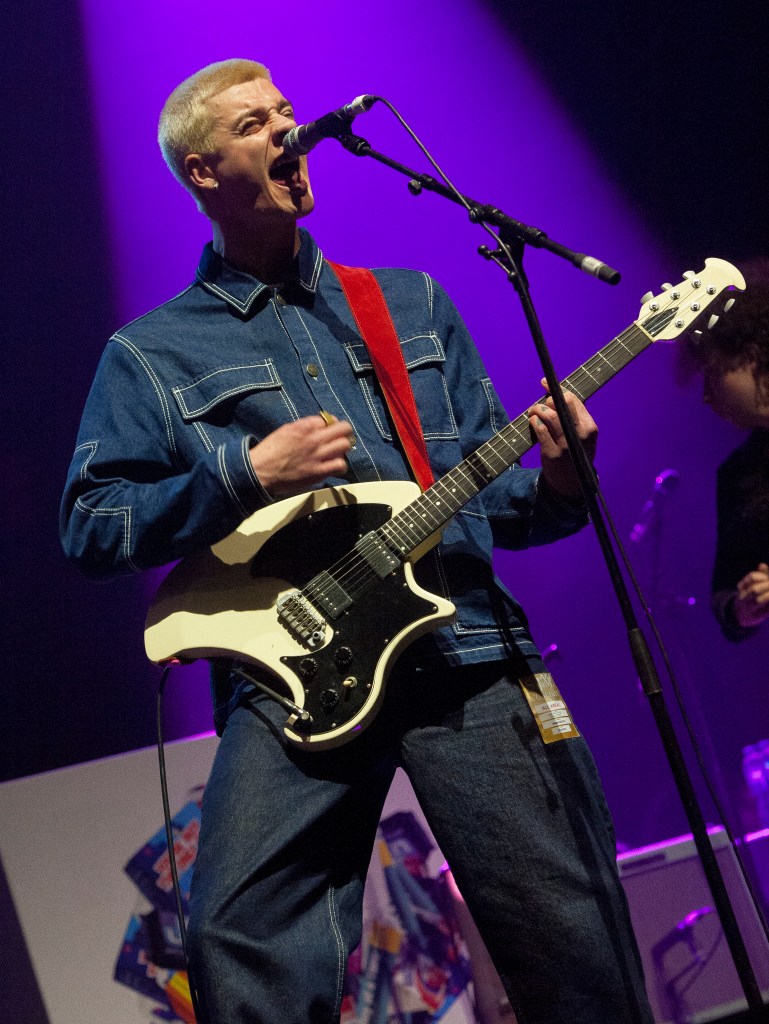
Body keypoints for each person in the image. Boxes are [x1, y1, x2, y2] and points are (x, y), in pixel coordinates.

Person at [61, 59, 652, 1024]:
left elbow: (498, 506)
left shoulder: (409, 302)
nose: (288, 132)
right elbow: (91, 525)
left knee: (568, 929)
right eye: (257, 123)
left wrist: (556, 476)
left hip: (460, 645)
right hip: (296, 676)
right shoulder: (152, 353)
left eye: (289, 113)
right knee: (237, 934)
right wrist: (244, 473)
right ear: (205, 172)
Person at [682, 258, 769, 641]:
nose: (705, 396)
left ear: (752, 356)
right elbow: (724, 593)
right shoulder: (738, 473)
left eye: (712, 373)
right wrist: (743, 607)